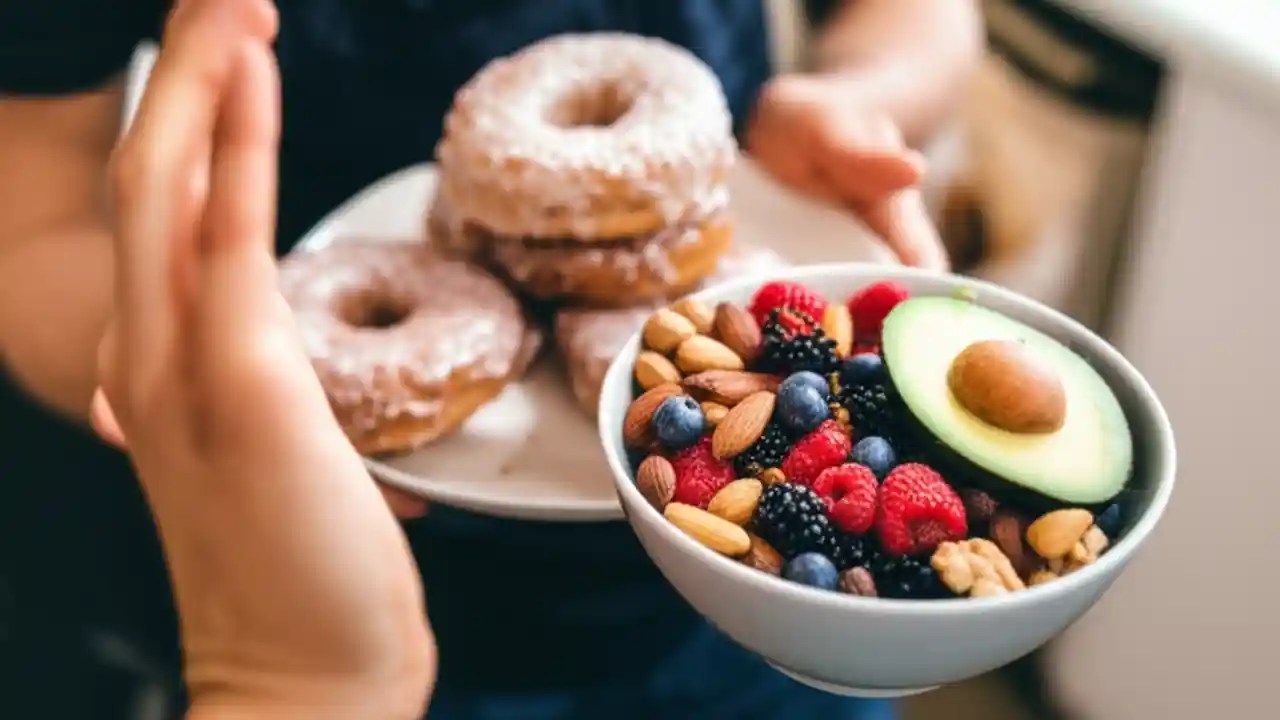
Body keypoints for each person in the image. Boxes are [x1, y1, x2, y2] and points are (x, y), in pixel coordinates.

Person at [0, 1, 983, 717]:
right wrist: (167, 356)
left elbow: (914, 15)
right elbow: (29, 224)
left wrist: (860, 94)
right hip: (343, 584)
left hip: (784, 588)